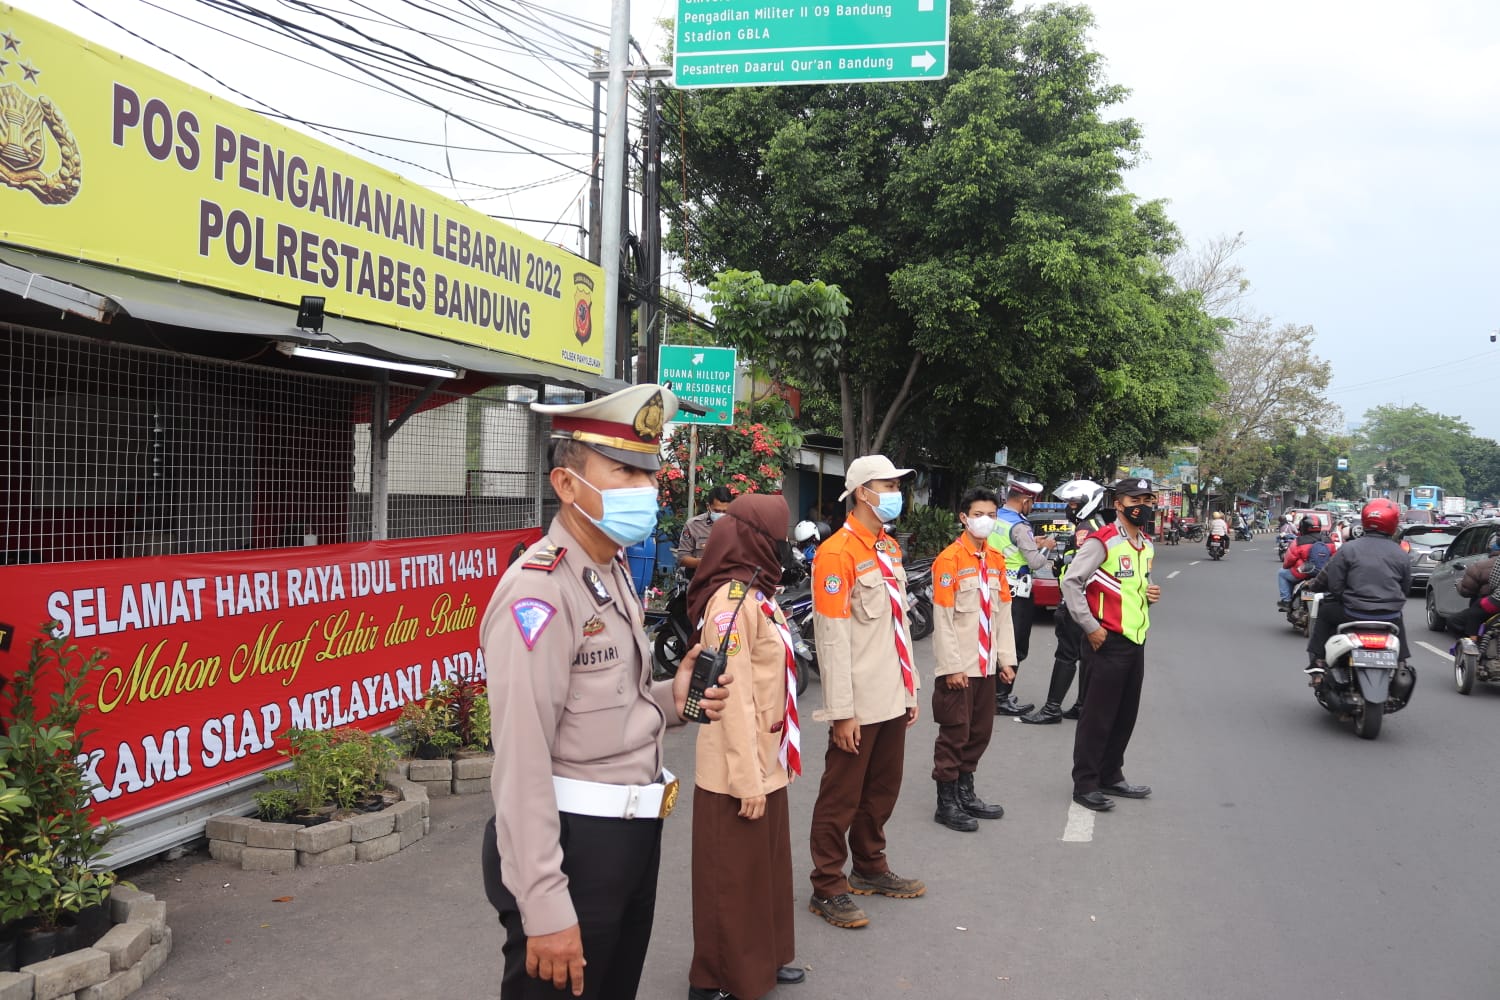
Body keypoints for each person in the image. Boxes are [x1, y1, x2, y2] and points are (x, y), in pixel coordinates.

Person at [479, 383, 733, 1000]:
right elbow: (521, 761)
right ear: (567, 485)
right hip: (572, 846)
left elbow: (612, 699)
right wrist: (544, 904)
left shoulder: (612, 568)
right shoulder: (539, 592)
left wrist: (674, 696)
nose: (645, 489)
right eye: (623, 470)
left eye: (649, 472)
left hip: (630, 837)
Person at [686, 493, 805, 1000]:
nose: (782, 549)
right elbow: (730, 700)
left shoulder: (758, 593)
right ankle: (715, 979)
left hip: (767, 756)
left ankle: (764, 957)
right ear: (753, 540)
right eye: (775, 540)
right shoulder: (729, 604)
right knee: (729, 879)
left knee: (765, 871)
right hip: (738, 768)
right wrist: (746, 779)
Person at [807, 454, 924, 930]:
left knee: (882, 789)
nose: (895, 492)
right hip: (857, 700)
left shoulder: (888, 549)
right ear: (862, 492)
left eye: (898, 484)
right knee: (841, 795)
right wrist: (841, 712)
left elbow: (899, 625)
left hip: (891, 694)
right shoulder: (837, 553)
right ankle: (827, 885)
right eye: (887, 484)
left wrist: (910, 689)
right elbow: (831, 639)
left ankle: (870, 867)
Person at [1064, 478, 1161, 813]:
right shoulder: (1102, 541)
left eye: (1148, 498)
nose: (1143, 505)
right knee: (1097, 716)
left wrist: (1150, 594)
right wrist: (1090, 626)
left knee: (1124, 714)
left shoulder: (1146, 544)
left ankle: (1111, 774)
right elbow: (1072, 581)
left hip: (1135, 639)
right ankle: (1086, 783)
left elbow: (1135, 586)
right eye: (1136, 498)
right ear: (1118, 503)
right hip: (1105, 640)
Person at [929, 487, 1017, 832]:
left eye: (992, 515)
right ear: (963, 517)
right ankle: (946, 802)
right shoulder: (949, 560)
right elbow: (942, 618)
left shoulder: (995, 560)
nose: (986, 521)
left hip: (986, 666)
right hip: (960, 669)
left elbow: (1003, 614)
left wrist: (1005, 660)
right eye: (979, 514)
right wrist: (952, 667)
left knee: (980, 732)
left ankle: (966, 793)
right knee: (954, 734)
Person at [1022, 480, 1109, 725]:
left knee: (1066, 654)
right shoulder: (1097, 524)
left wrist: (1063, 564)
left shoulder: (1085, 528)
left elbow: (1078, 565)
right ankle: (1082, 706)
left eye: (1073, 503)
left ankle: (1052, 709)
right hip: (1089, 601)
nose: (1069, 508)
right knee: (1083, 654)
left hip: (1077, 600)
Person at [1304, 498, 1411, 679]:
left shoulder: (1348, 549)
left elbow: (1334, 584)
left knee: (1325, 612)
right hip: (1389, 615)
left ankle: (1318, 660)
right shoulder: (1401, 554)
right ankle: (1402, 662)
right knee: (1398, 617)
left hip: (1352, 613)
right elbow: (1405, 587)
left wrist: (1344, 597)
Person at [988, 479, 1058, 715]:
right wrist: (1046, 545)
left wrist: (1033, 542)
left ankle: (993, 693)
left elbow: (1007, 546)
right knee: (1016, 646)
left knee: (996, 641)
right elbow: (1036, 562)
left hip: (995, 587)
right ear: (1025, 501)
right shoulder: (1020, 526)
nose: (1031, 507)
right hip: (1017, 592)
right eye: (1031, 503)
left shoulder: (995, 517)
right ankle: (1001, 698)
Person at [1277, 516, 1331, 611]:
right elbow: (1335, 558)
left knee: (1282, 573)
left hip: (1303, 573)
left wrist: (1287, 566)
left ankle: (1286, 601)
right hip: (1325, 574)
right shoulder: (1329, 541)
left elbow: (1288, 561)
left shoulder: (1298, 541)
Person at [677, 485, 734, 574]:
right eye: (717, 511)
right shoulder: (694, 525)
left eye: (725, 512)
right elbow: (682, 559)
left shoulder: (738, 526)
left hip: (730, 579)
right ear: (708, 506)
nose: (721, 515)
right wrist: (706, 563)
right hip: (701, 578)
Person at [1453, 534, 1500, 642]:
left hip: (1497, 601)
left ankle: (1473, 643)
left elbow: (1493, 582)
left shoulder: (1483, 565)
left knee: (1476, 609)